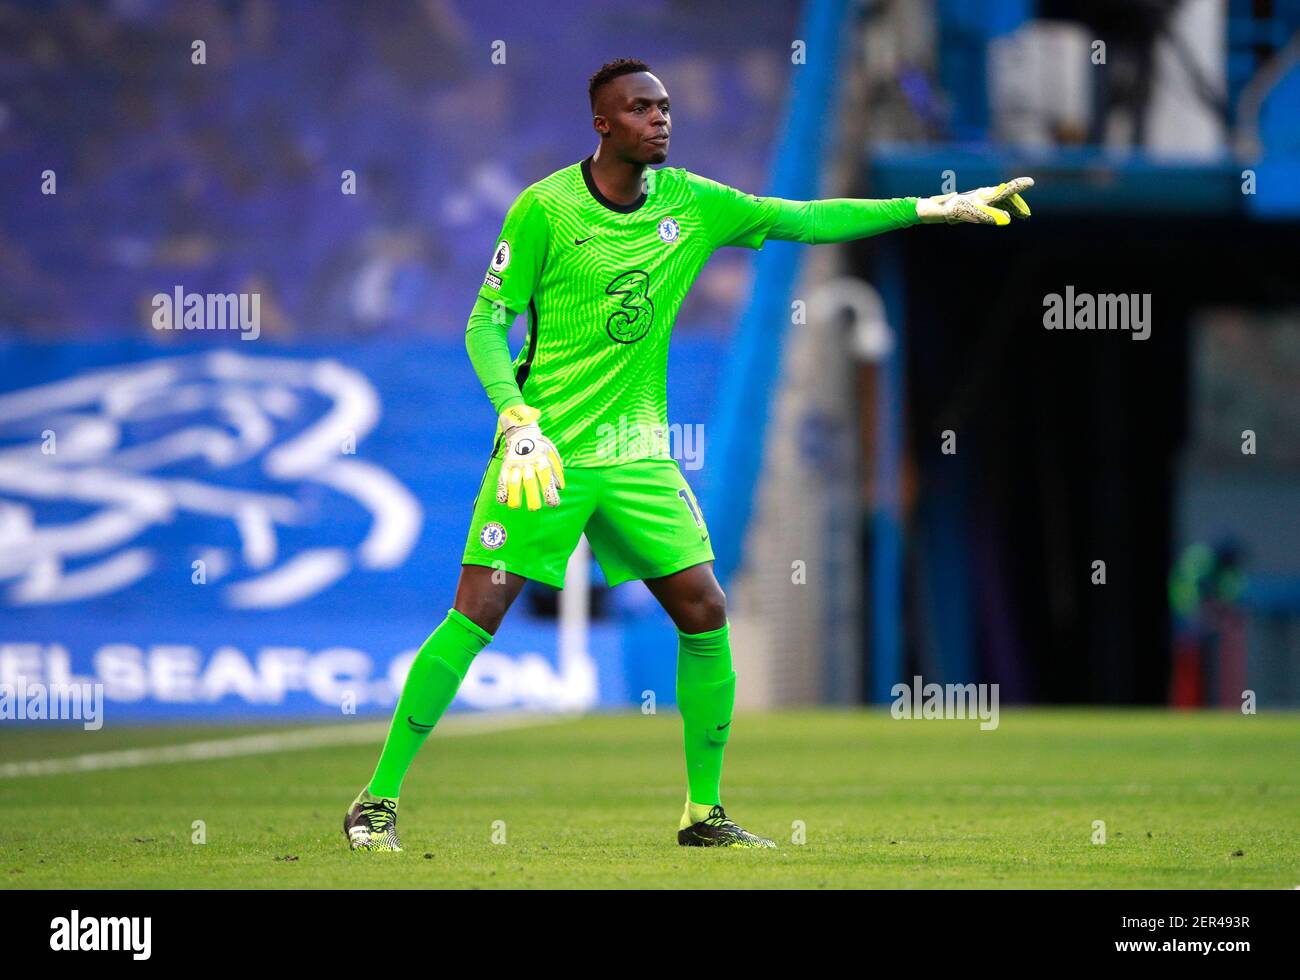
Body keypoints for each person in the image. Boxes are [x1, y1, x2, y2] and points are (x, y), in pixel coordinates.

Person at [345, 57, 1034, 852]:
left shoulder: (693, 203)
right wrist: (515, 418)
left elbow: (802, 219)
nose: (660, 120)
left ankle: (702, 813)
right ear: (603, 122)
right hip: (546, 450)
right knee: (479, 612)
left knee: (705, 610)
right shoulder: (545, 209)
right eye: (641, 109)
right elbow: (482, 326)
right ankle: (379, 800)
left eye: (665, 107)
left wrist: (930, 206)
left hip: (636, 453)